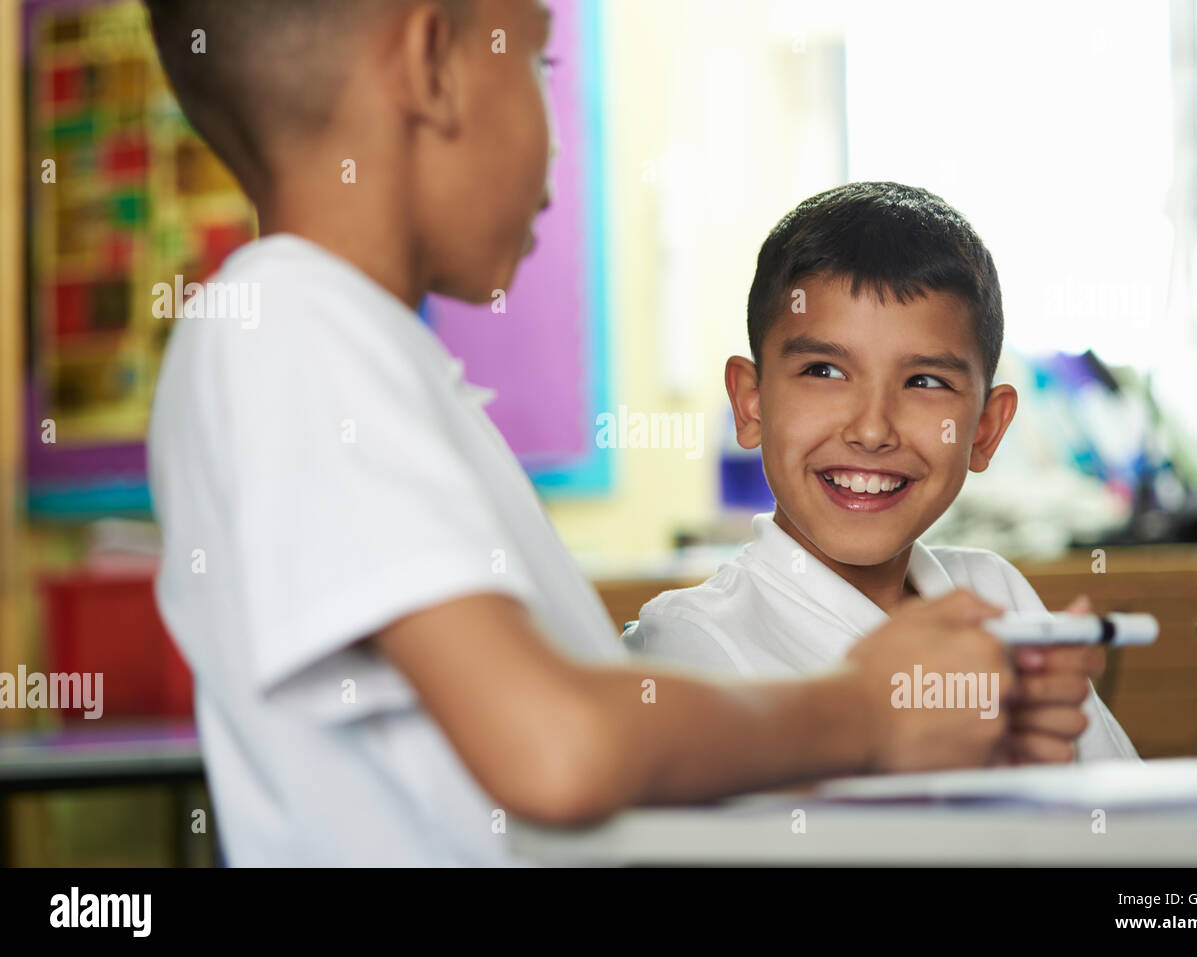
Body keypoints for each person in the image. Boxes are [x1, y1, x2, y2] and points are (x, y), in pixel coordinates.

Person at [143, 0, 1087, 865]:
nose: (558, 145)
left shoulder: (362, 354)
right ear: (433, 62)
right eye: (539, 64)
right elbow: (558, 749)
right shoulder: (290, 319)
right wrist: (867, 712)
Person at [624, 182, 1137, 763]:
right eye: (823, 370)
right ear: (751, 403)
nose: (871, 430)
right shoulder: (689, 642)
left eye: (925, 382)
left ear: (987, 429)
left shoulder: (997, 598)